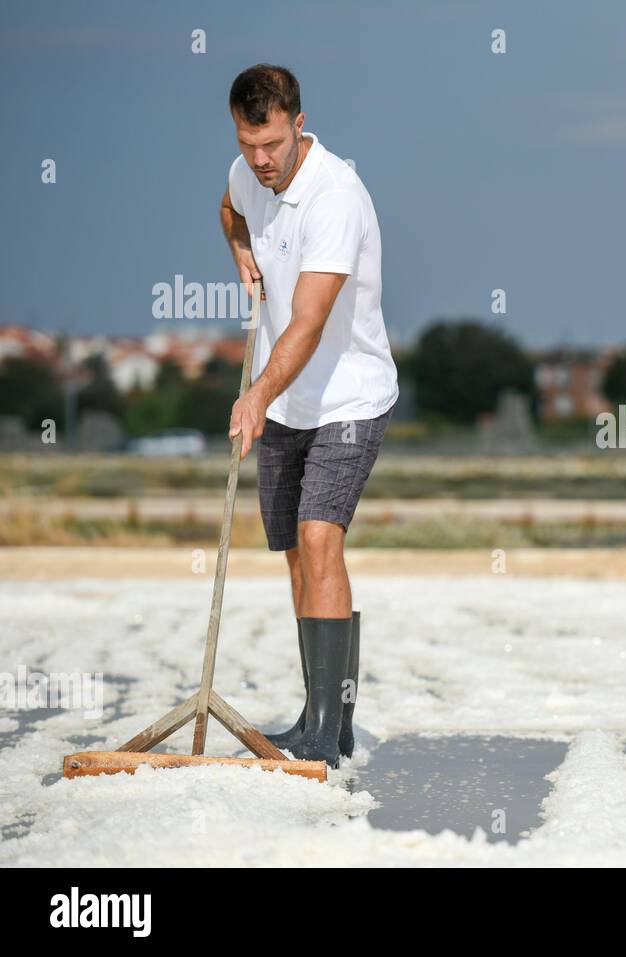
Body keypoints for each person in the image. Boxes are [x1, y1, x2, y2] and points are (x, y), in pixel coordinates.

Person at [219, 64, 399, 766]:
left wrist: (255, 393)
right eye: (246, 144)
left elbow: (308, 322)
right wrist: (239, 249)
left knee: (322, 538)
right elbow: (228, 208)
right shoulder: (246, 175)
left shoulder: (336, 198)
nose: (260, 160)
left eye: (270, 143)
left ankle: (327, 731)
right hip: (289, 397)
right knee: (296, 550)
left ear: (298, 122)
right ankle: (322, 716)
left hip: (348, 395)